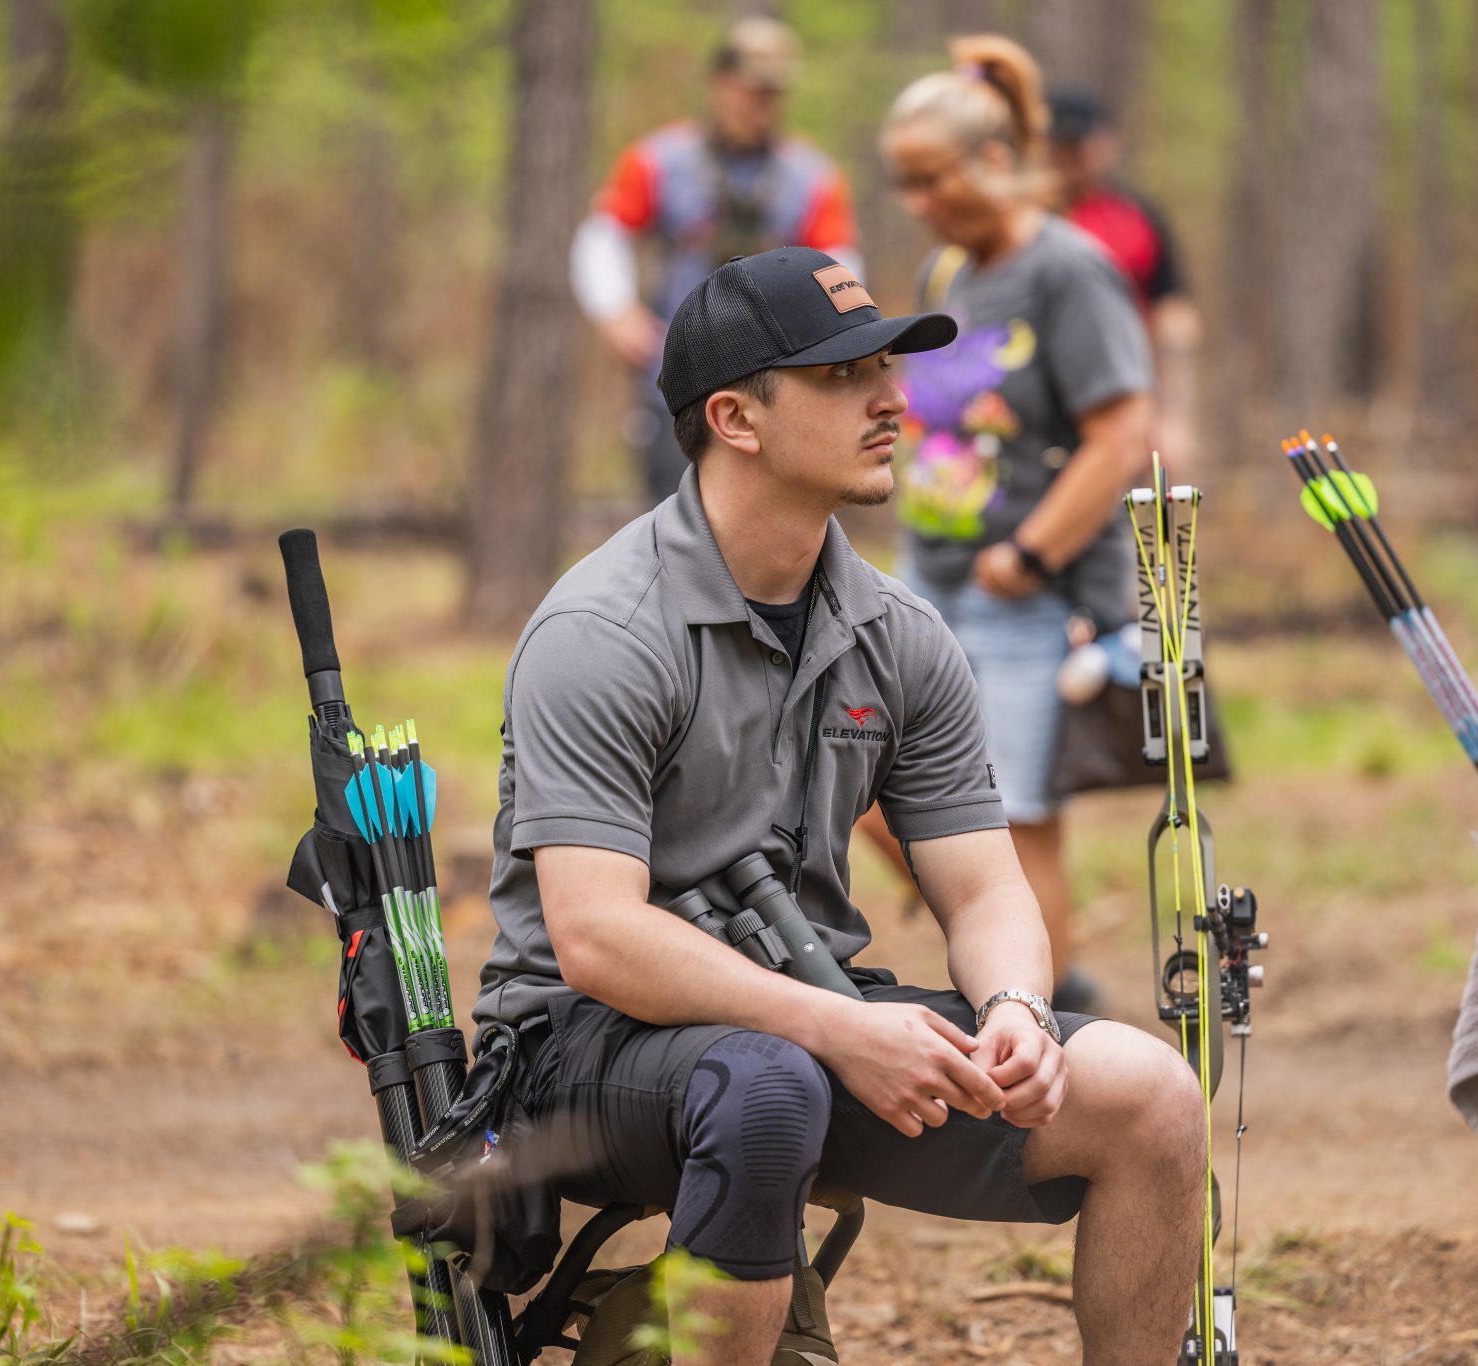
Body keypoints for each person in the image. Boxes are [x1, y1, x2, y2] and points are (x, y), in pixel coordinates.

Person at [476, 245, 1205, 1365]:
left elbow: (981, 883)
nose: (889, 399)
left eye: (886, 366)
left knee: (1147, 1097)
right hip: (582, 1053)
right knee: (765, 1090)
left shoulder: (898, 632)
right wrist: (840, 1029)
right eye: (840, 375)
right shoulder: (604, 631)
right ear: (734, 416)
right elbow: (593, 936)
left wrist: (1011, 1002)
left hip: (820, 1022)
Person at [878, 37, 1154, 1016]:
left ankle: (1047, 1038)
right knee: (870, 791)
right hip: (930, 578)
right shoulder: (948, 271)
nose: (916, 203)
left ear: (992, 160)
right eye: (902, 184)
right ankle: (1040, 981)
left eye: (930, 179)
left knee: (1006, 830)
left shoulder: (1067, 270)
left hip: (1024, 597)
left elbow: (1121, 436)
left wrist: (1028, 553)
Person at [569, 17, 862, 504]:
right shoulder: (661, 159)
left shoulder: (811, 177)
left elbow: (841, 267)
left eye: (771, 94)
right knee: (673, 505)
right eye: (750, 90)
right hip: (674, 374)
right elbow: (604, 234)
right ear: (720, 83)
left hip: (777, 377)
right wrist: (617, 314)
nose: (760, 105)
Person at [1046, 86, 1203, 476]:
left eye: (1078, 144)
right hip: (1041, 408)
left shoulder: (1136, 217)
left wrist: (1174, 415)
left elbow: (1174, 316)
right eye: (1058, 144)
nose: (1069, 157)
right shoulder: (1020, 221)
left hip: (1124, 397)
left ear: (1106, 144)